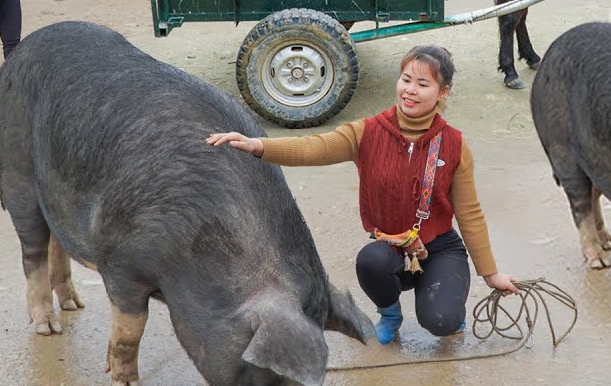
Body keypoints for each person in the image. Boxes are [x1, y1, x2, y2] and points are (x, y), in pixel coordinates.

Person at [206, 46, 519, 344]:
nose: (410, 90)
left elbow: (470, 212)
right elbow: (312, 147)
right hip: (391, 248)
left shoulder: (454, 145)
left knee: (441, 322)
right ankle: (390, 315)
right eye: (406, 79)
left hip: (438, 249)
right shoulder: (367, 132)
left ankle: (445, 308)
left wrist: (490, 274)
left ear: (443, 93)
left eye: (422, 84)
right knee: (371, 260)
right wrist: (257, 145)